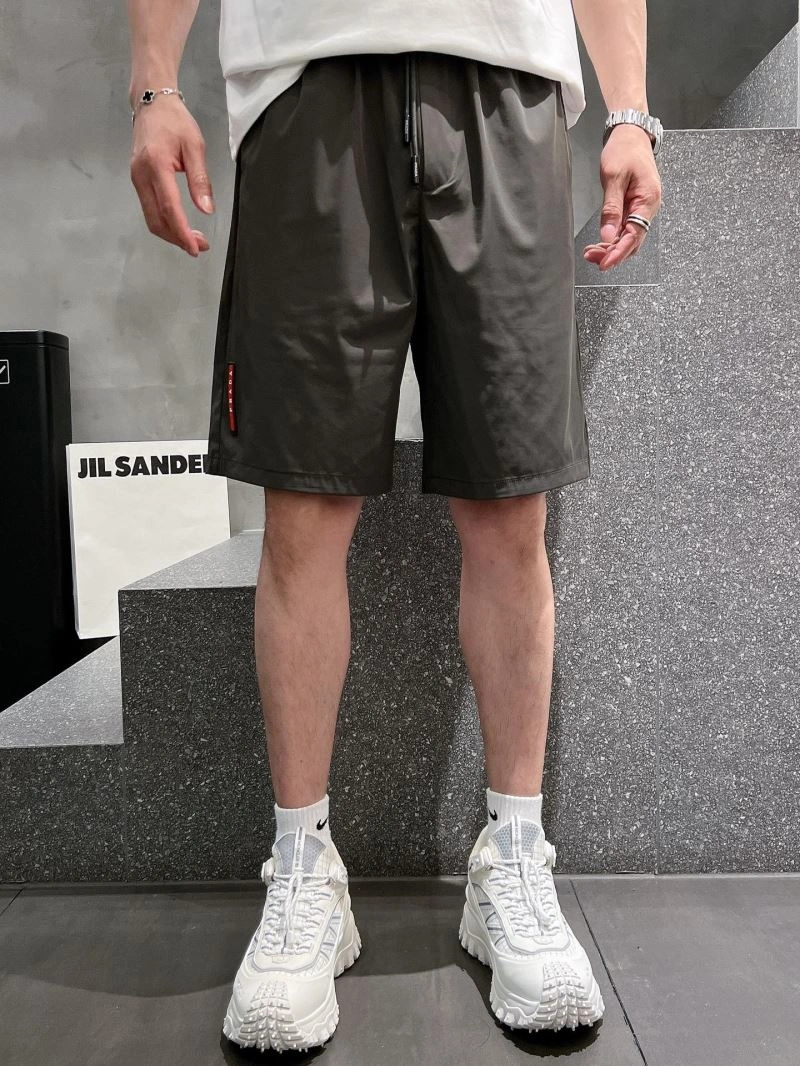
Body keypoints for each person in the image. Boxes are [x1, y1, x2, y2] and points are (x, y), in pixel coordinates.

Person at [127, 0, 662, 1052]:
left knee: (510, 508)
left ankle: (512, 858)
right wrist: (154, 84)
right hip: (309, 86)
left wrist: (631, 108)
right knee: (302, 513)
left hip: (506, 91)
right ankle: (303, 870)